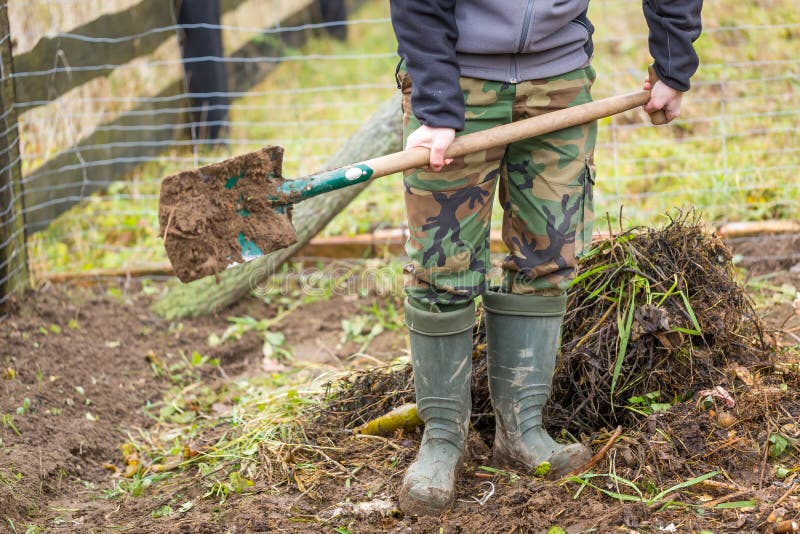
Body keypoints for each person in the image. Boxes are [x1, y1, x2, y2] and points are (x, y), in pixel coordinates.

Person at [389, 0, 703, 516]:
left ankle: (522, 431)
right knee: (442, 266)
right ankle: (444, 439)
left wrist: (673, 63)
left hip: (560, 79)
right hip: (457, 76)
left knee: (550, 257)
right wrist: (439, 107)